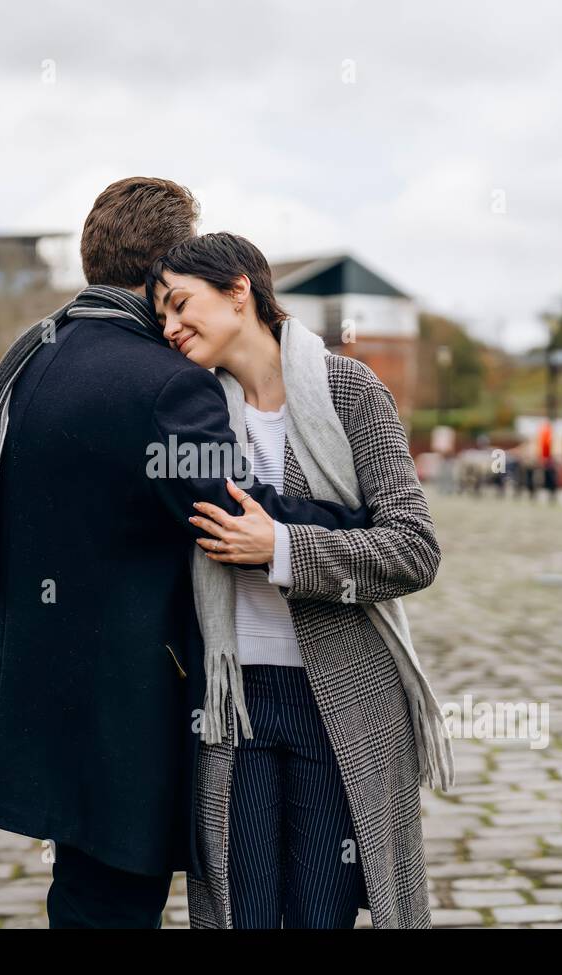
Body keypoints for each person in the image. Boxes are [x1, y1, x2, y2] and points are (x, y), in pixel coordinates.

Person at [0, 179, 370, 929]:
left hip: (34, 679)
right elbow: (231, 514)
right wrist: (353, 527)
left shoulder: (29, 362)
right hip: (124, 703)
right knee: (119, 902)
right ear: (165, 268)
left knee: (84, 894)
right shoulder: (165, 385)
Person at [147, 232, 454, 928]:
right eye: (161, 314)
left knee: (322, 913)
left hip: (340, 696)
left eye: (180, 304)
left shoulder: (350, 390)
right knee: (242, 913)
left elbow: (414, 548)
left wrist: (283, 547)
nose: (169, 326)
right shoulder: (188, 411)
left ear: (237, 291)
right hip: (234, 700)